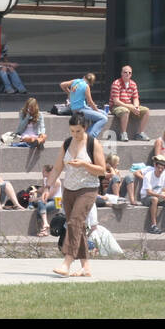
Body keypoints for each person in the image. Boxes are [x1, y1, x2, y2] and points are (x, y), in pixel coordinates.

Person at [52, 115, 106, 278]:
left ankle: (67, 261)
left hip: (88, 188)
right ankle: (85, 267)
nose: (75, 134)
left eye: (79, 131)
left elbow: (102, 170)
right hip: (69, 189)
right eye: (72, 131)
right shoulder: (67, 143)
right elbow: (57, 168)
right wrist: (47, 185)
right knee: (78, 227)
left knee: (75, 221)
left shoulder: (93, 143)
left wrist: (83, 164)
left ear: (85, 128)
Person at [108, 65, 151, 141]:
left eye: (129, 73)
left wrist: (136, 107)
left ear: (131, 74)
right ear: (121, 73)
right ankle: (123, 133)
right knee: (125, 111)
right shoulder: (116, 83)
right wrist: (130, 107)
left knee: (146, 111)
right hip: (116, 106)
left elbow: (135, 98)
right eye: (125, 72)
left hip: (129, 105)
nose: (127, 74)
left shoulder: (133, 84)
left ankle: (139, 134)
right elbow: (116, 101)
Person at [60, 73, 108, 141]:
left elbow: (62, 85)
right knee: (103, 118)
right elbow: (90, 102)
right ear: (91, 83)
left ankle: (87, 132)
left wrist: (69, 93)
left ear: (83, 77)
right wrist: (96, 110)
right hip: (80, 110)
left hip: (79, 108)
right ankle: (89, 137)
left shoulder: (76, 81)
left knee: (104, 113)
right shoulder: (86, 86)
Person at [32, 163, 61, 235]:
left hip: (57, 201)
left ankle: (44, 228)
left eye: (44, 171)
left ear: (49, 172)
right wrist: (35, 190)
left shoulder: (57, 181)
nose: (42, 172)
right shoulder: (45, 179)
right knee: (40, 205)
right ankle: (45, 226)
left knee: (40, 204)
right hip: (48, 200)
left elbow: (49, 195)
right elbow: (43, 190)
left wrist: (34, 199)